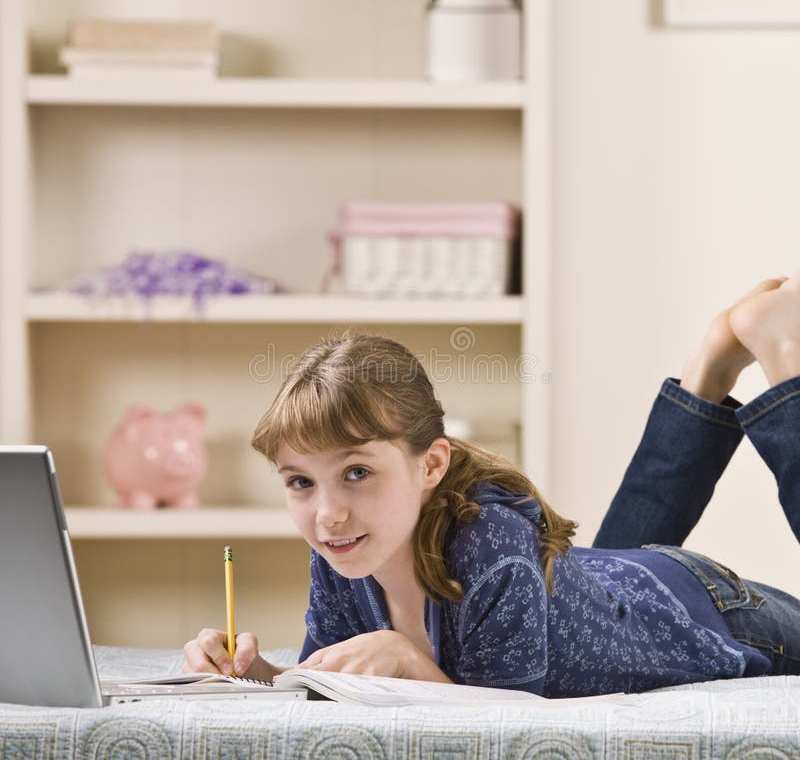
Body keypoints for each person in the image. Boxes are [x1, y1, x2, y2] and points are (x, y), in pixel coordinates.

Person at [183, 275, 800, 696]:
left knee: (612, 605)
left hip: (711, 611)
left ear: (430, 465)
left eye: (357, 472)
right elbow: (329, 686)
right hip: (607, 583)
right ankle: (711, 368)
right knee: (595, 589)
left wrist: (411, 662)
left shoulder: (491, 542)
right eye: (300, 482)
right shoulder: (343, 550)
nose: (328, 514)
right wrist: (251, 672)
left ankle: (785, 352)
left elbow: (508, 723)